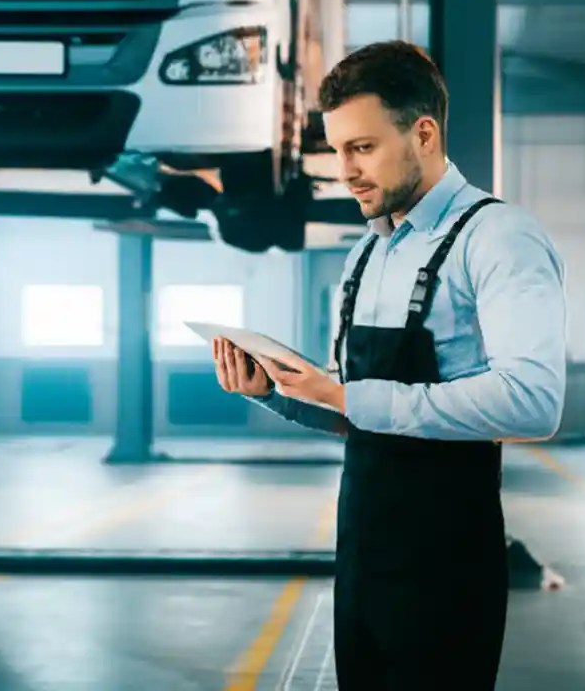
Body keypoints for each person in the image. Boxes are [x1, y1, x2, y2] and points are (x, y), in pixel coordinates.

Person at [212, 40, 567, 690]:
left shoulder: (499, 237)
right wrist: (276, 391)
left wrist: (348, 397)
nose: (345, 170)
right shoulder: (366, 257)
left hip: (448, 570)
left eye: (362, 148)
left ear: (423, 133)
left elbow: (533, 401)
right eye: (337, 150)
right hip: (362, 561)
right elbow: (359, 415)